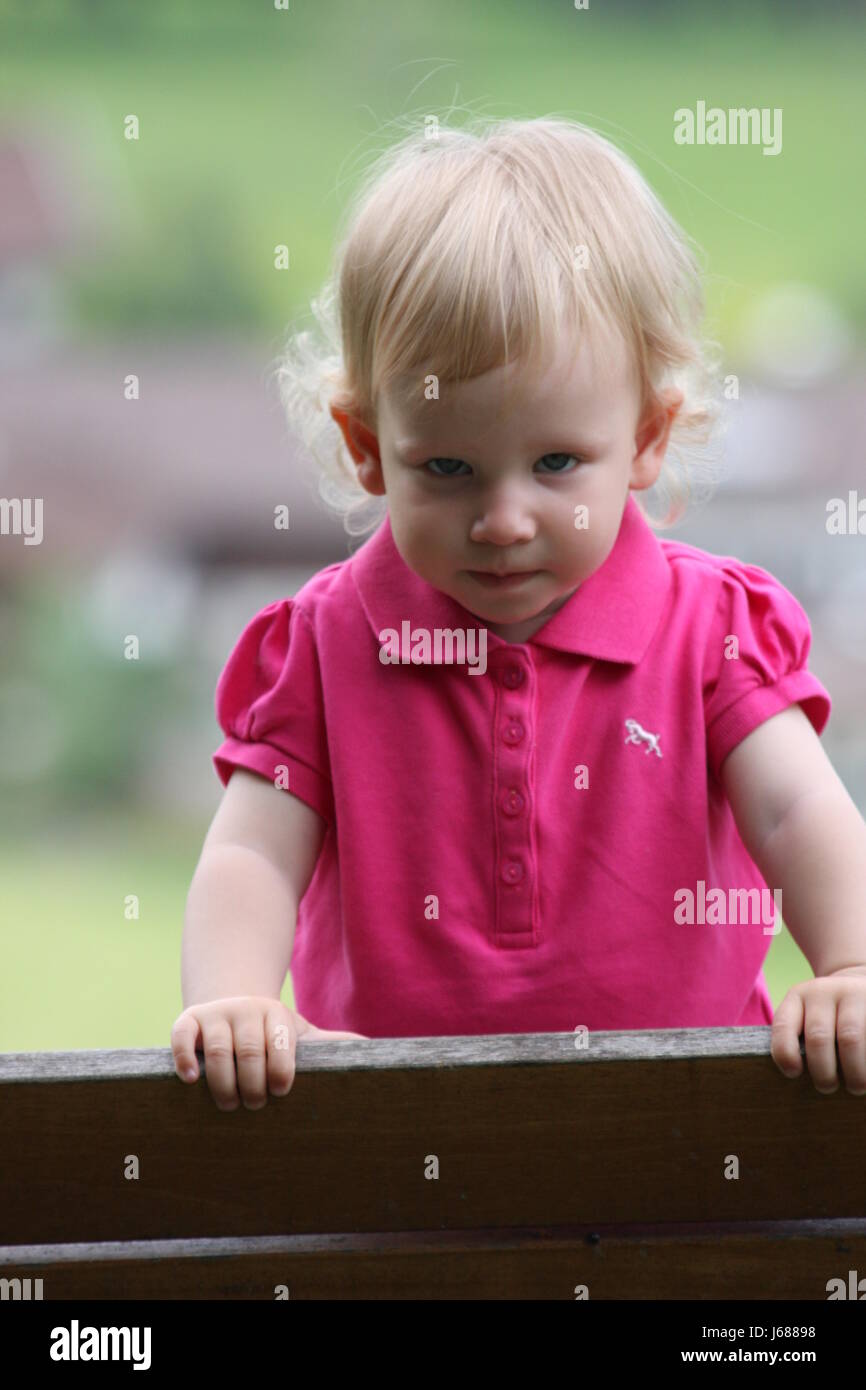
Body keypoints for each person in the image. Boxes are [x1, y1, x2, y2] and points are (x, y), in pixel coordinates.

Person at [171, 116, 866, 1112]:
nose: (501, 520)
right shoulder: (326, 643)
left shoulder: (708, 627)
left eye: (554, 465)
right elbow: (248, 851)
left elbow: (798, 809)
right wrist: (235, 997)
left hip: (683, 1145)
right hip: (395, 1161)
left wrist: (844, 966)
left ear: (644, 438)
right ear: (367, 447)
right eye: (445, 468)